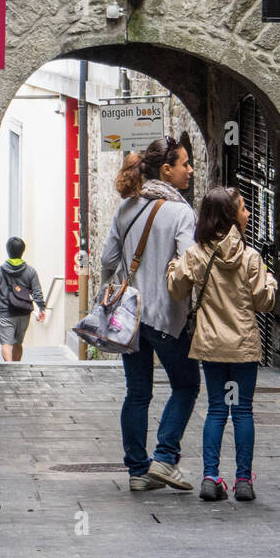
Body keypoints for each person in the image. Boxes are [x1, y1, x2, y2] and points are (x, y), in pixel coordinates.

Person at [101, 136, 200, 493]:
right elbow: (188, 263)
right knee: (187, 384)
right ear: (166, 170)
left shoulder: (127, 208)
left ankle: (138, 470)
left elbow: (108, 261)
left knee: (137, 392)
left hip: (130, 316)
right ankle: (165, 457)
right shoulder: (181, 212)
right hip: (165, 316)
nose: (190, 170)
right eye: (185, 164)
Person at [168, 187, 277, 502]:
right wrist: (271, 282)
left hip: (212, 344)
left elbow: (176, 290)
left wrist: (172, 268)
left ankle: (210, 477)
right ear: (230, 216)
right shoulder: (250, 258)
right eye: (243, 208)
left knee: (217, 408)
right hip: (243, 345)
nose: (247, 214)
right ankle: (243, 480)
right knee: (242, 410)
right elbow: (264, 302)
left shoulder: (197, 255)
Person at [0, 236, 46, 362]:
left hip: (6, 312)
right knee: (18, 343)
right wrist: (42, 308)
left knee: (6, 343)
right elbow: (37, 291)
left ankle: (9, 366)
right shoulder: (30, 271)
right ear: (22, 251)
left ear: (8, 251)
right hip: (23, 313)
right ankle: (16, 366)